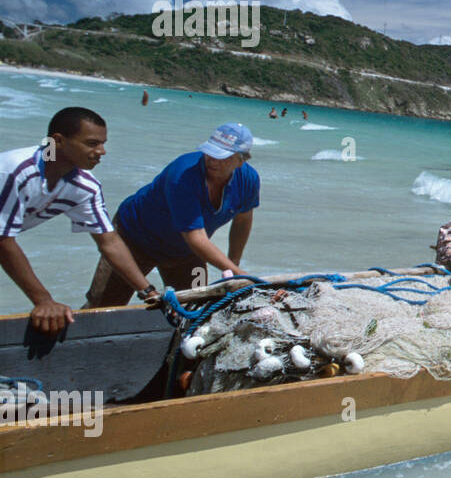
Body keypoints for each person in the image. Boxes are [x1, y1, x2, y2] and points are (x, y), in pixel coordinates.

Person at [0, 108, 159, 335]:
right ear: (58, 142)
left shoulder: (85, 186)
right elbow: (3, 241)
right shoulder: (16, 172)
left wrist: (148, 292)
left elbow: (109, 242)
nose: (101, 151)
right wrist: (43, 300)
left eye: (103, 143)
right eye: (92, 143)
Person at [84, 123, 260, 307]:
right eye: (210, 152)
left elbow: (243, 221)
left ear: (242, 160)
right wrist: (240, 274)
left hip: (186, 253)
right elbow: (196, 238)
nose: (212, 160)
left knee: (197, 305)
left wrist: (233, 267)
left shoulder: (249, 180)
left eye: (221, 156)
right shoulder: (183, 175)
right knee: (103, 305)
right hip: (134, 240)